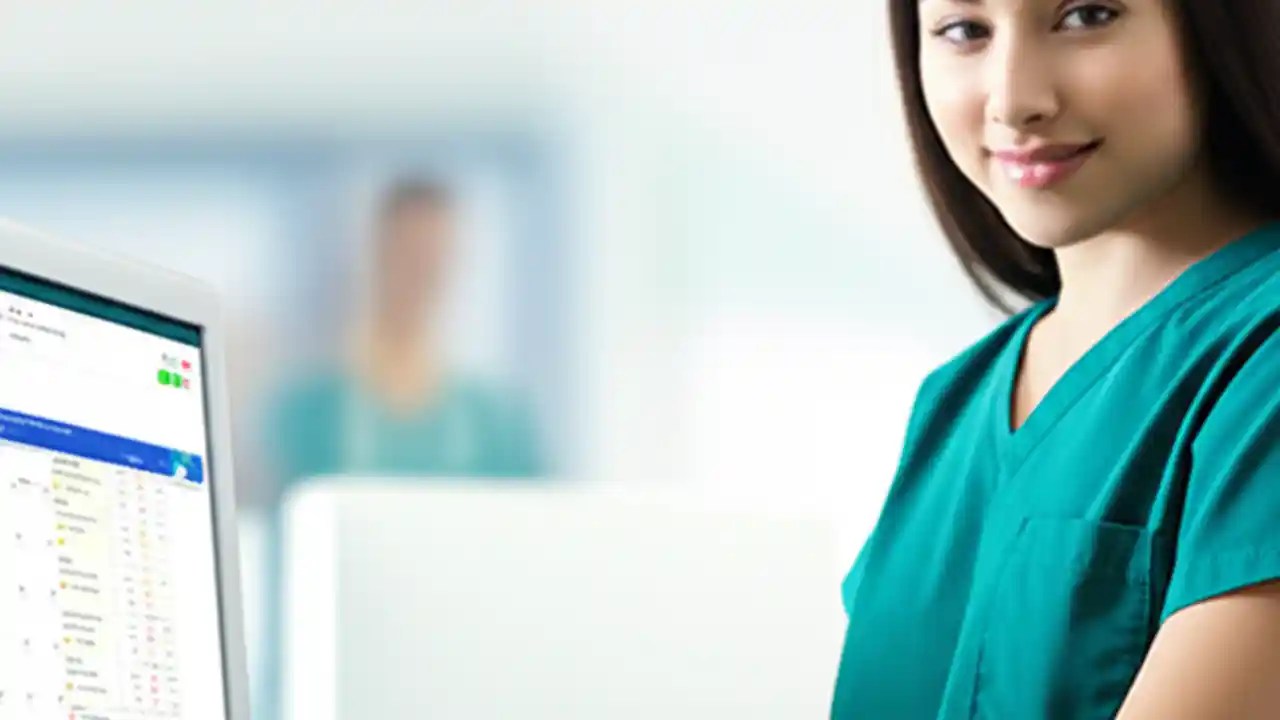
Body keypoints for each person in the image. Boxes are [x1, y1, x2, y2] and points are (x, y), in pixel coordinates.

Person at [832, 1, 1280, 718]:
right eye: (963, 31)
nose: (1015, 100)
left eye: (1086, 15)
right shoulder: (952, 403)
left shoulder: (1264, 359)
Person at [253, 178, 544, 719]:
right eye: (408, 253)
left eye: (436, 256)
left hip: (464, 687)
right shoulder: (307, 413)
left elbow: (527, 580)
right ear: (375, 256)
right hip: (333, 684)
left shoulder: (498, 424)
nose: (422, 273)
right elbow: (281, 585)